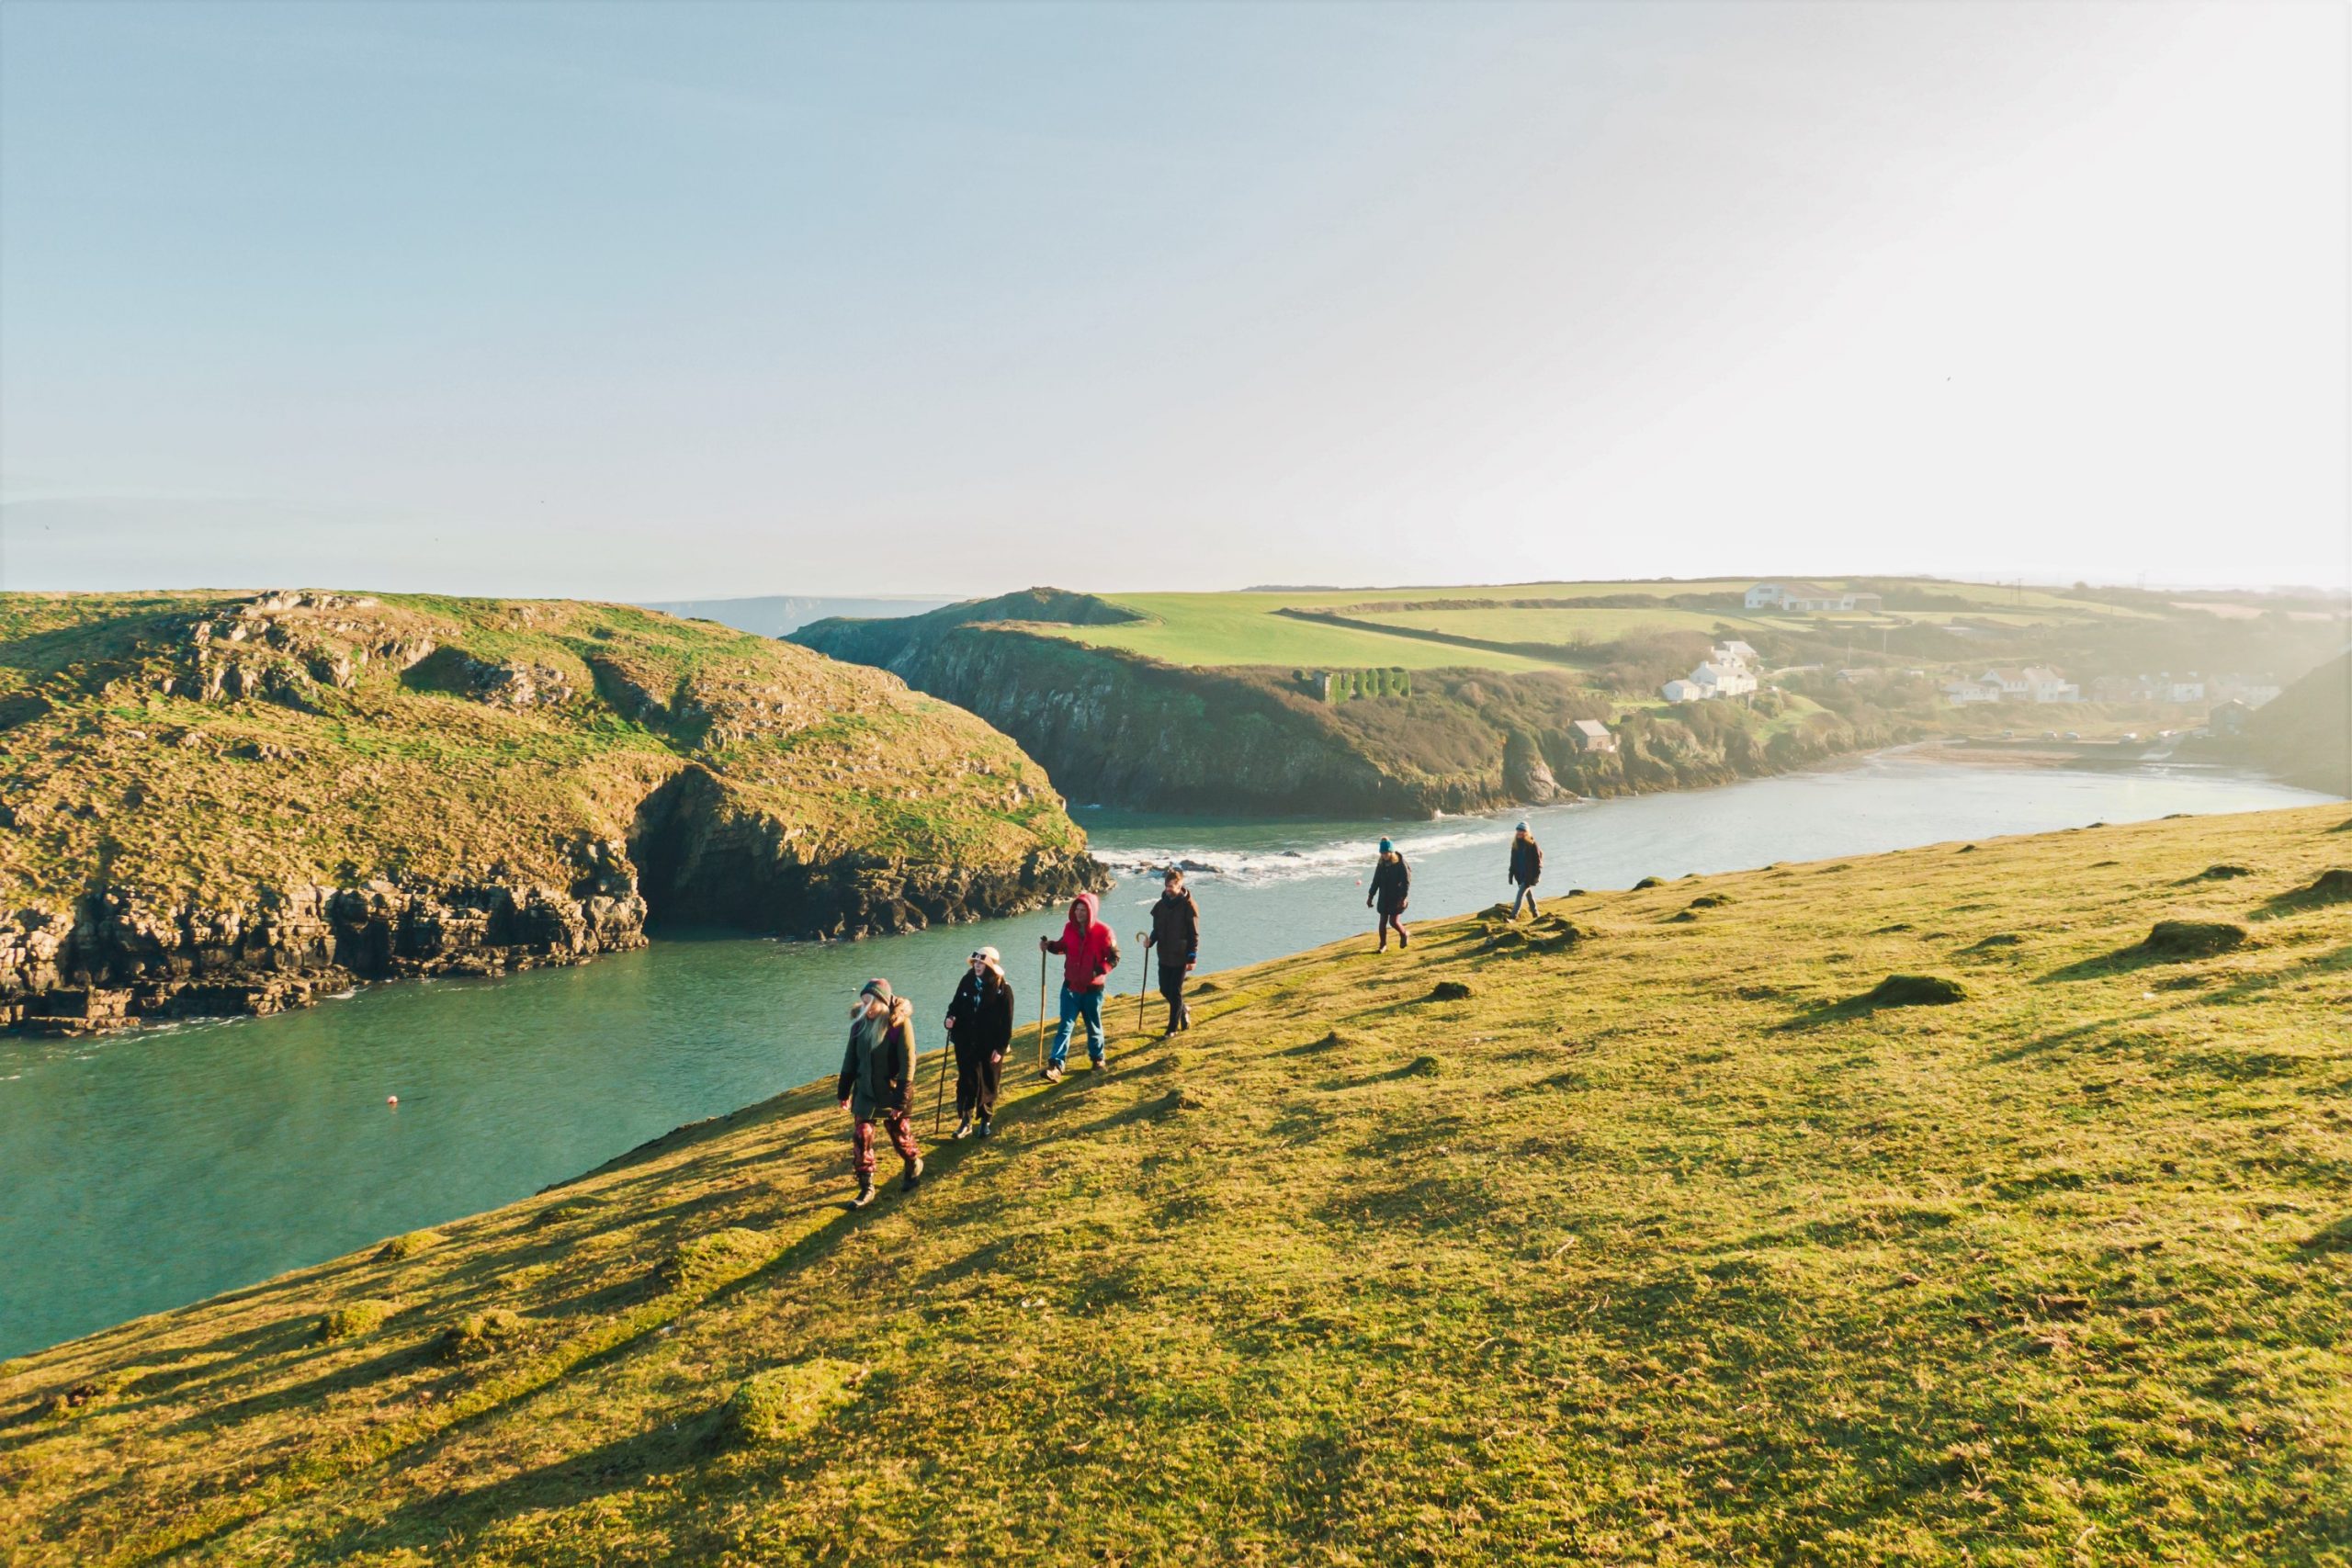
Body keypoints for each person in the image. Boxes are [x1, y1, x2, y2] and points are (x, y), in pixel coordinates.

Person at [835, 978, 922, 1208]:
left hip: (892, 1093)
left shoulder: (899, 1025)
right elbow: (850, 1059)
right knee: (862, 1136)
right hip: (865, 1092)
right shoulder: (859, 1025)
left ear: (883, 1002)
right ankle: (866, 1188)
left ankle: (913, 1163)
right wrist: (843, 1092)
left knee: (900, 1138)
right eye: (864, 1002)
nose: (867, 1008)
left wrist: (900, 1100)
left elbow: (908, 1063)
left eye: (871, 1003)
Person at [1039, 890, 1118, 1081]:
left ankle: (1098, 1059)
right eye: (1077, 909)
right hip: (1070, 988)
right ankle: (1056, 1065)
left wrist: (1097, 971)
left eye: (1083, 910)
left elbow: (1114, 958)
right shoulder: (1069, 928)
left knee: (1093, 1025)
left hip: (1093, 990)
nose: (1079, 913)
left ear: (1092, 911)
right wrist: (1049, 946)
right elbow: (1063, 946)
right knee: (1065, 1025)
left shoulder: (1104, 931)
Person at [944, 946, 1013, 1138]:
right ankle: (966, 1122)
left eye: (981, 962)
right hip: (965, 1041)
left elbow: (1007, 1022)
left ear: (989, 966)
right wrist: (950, 1018)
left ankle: (985, 1120)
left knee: (989, 1081)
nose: (977, 965)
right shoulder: (967, 981)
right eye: (975, 962)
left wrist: (1000, 1048)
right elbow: (955, 1005)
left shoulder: (1003, 989)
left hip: (990, 1044)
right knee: (967, 1081)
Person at [1144, 867, 1201, 1039]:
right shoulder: (1161, 905)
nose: (1168, 889)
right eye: (1166, 886)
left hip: (1181, 956)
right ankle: (1183, 1009)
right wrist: (1151, 941)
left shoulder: (1189, 906)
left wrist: (1192, 957)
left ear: (1180, 885)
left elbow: (1194, 934)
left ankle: (1172, 1029)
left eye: (1171, 886)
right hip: (1164, 954)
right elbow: (1157, 929)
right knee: (1164, 989)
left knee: (1175, 992)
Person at [1368, 838, 1411, 951]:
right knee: (1382, 922)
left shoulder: (1400, 863)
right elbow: (1376, 881)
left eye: (1386, 853)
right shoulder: (1381, 864)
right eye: (1382, 853)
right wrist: (1370, 896)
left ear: (1391, 852)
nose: (1384, 855)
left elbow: (1406, 882)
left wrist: (1403, 898)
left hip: (1397, 897)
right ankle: (1383, 945)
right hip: (1384, 896)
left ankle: (1404, 934)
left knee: (1393, 922)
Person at [1508, 822, 1544, 919]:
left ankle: (1513, 917)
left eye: (1522, 831)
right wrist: (1511, 874)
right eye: (1518, 830)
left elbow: (1538, 862)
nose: (1519, 832)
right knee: (1528, 895)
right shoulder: (1515, 845)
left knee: (1519, 895)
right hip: (1520, 875)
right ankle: (1536, 914)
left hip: (1529, 876)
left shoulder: (1532, 844)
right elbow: (1513, 861)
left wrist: (1536, 876)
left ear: (1527, 832)